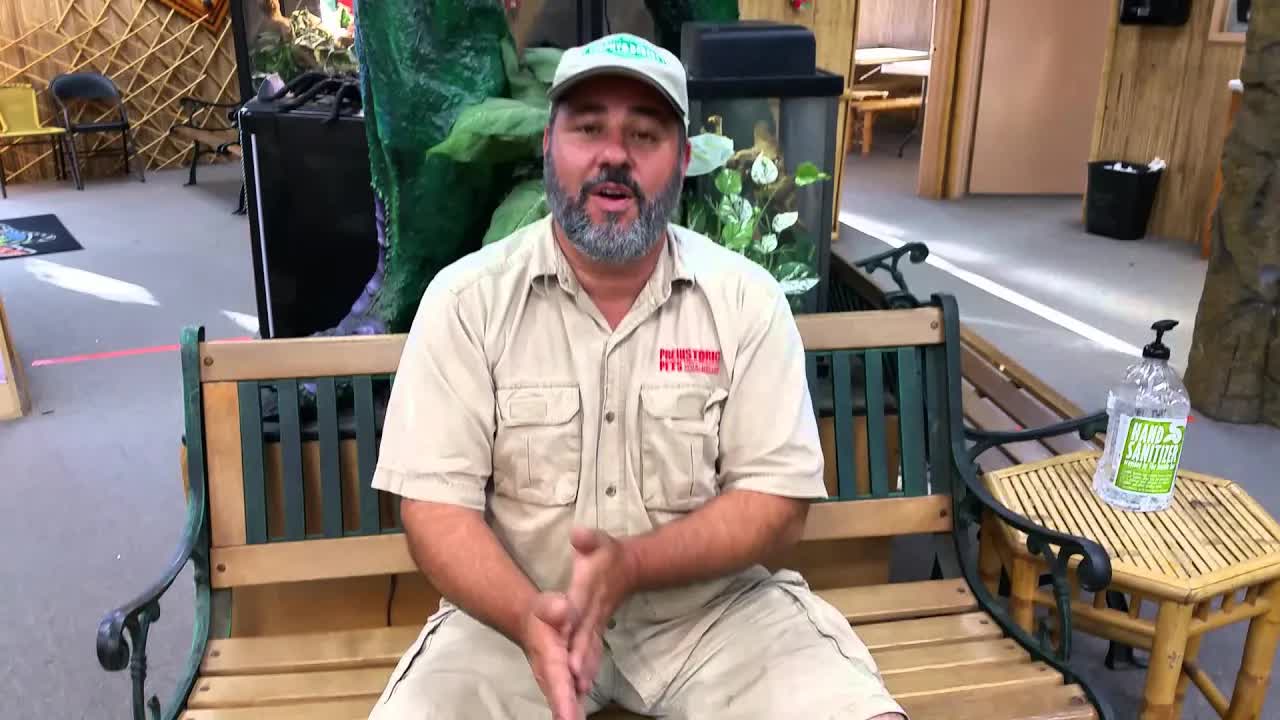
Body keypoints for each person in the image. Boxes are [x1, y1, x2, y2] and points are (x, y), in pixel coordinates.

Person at [368, 32, 907, 720]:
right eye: (588, 127)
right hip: (513, 620)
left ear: (682, 161)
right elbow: (434, 508)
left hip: (715, 620)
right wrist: (527, 614)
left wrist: (634, 565)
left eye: (645, 134)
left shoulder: (744, 299)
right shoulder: (467, 302)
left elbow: (776, 503)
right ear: (548, 146)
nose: (613, 154)